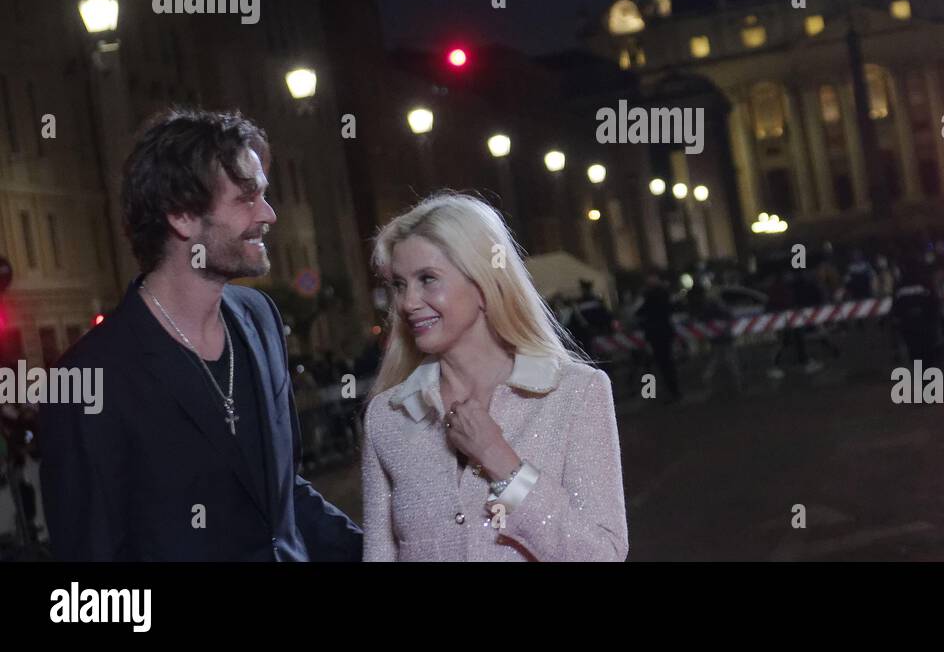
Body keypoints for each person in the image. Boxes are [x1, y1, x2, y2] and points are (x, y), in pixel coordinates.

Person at [38, 108, 362, 560]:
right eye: (246, 198)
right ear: (181, 215)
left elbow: (280, 497)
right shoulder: (87, 380)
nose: (268, 214)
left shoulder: (261, 318)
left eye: (264, 195)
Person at [362, 192, 628, 561]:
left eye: (428, 279)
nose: (408, 303)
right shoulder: (387, 418)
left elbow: (601, 555)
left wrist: (500, 461)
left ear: (484, 283)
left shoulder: (575, 394)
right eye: (400, 285)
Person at [636, 272, 682, 403]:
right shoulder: (662, 293)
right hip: (661, 333)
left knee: (659, 365)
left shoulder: (653, 295)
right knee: (664, 364)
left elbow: (642, 311)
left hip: (656, 334)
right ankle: (668, 392)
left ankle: (655, 393)